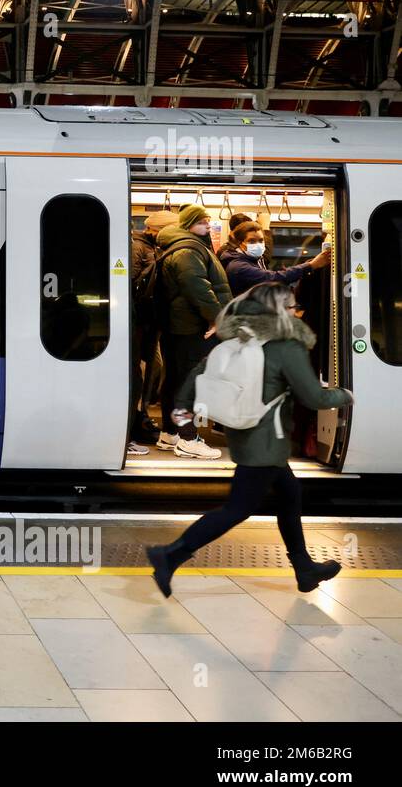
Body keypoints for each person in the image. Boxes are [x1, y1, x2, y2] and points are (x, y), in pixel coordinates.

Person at [146, 281, 353, 596]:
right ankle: (170, 554)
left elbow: (200, 372)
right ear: (279, 310)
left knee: (290, 494)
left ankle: (304, 568)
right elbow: (313, 397)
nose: (298, 310)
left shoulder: (239, 338)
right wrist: (346, 394)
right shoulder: (286, 345)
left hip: (244, 430)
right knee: (238, 508)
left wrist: (182, 406)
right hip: (267, 439)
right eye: (292, 305)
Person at [154, 204, 232, 459]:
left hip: (179, 326)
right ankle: (188, 438)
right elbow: (198, 288)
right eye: (202, 221)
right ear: (188, 225)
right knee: (190, 384)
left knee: (176, 380)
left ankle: (170, 433)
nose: (207, 225)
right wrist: (216, 318)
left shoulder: (183, 247)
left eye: (208, 221)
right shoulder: (188, 250)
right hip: (192, 327)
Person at [128, 210, 177, 452]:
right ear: (156, 229)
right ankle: (135, 421)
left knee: (150, 369)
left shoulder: (155, 246)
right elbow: (131, 281)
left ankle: (141, 414)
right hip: (139, 320)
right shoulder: (139, 247)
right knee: (138, 371)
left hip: (150, 320)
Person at [225, 220, 331, 298]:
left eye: (261, 241)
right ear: (240, 243)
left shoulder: (256, 261)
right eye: (252, 241)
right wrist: (311, 265)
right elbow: (274, 278)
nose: (258, 245)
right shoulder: (239, 267)